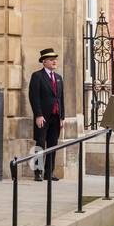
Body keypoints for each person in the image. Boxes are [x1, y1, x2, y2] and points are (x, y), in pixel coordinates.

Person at [29, 49, 65, 182]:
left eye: (55, 59)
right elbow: (34, 97)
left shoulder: (59, 78)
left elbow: (61, 99)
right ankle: (38, 172)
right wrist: (38, 115)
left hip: (56, 117)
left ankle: (49, 172)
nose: (54, 61)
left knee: (53, 144)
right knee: (39, 144)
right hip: (43, 117)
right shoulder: (37, 76)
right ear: (44, 62)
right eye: (51, 59)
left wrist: (62, 117)